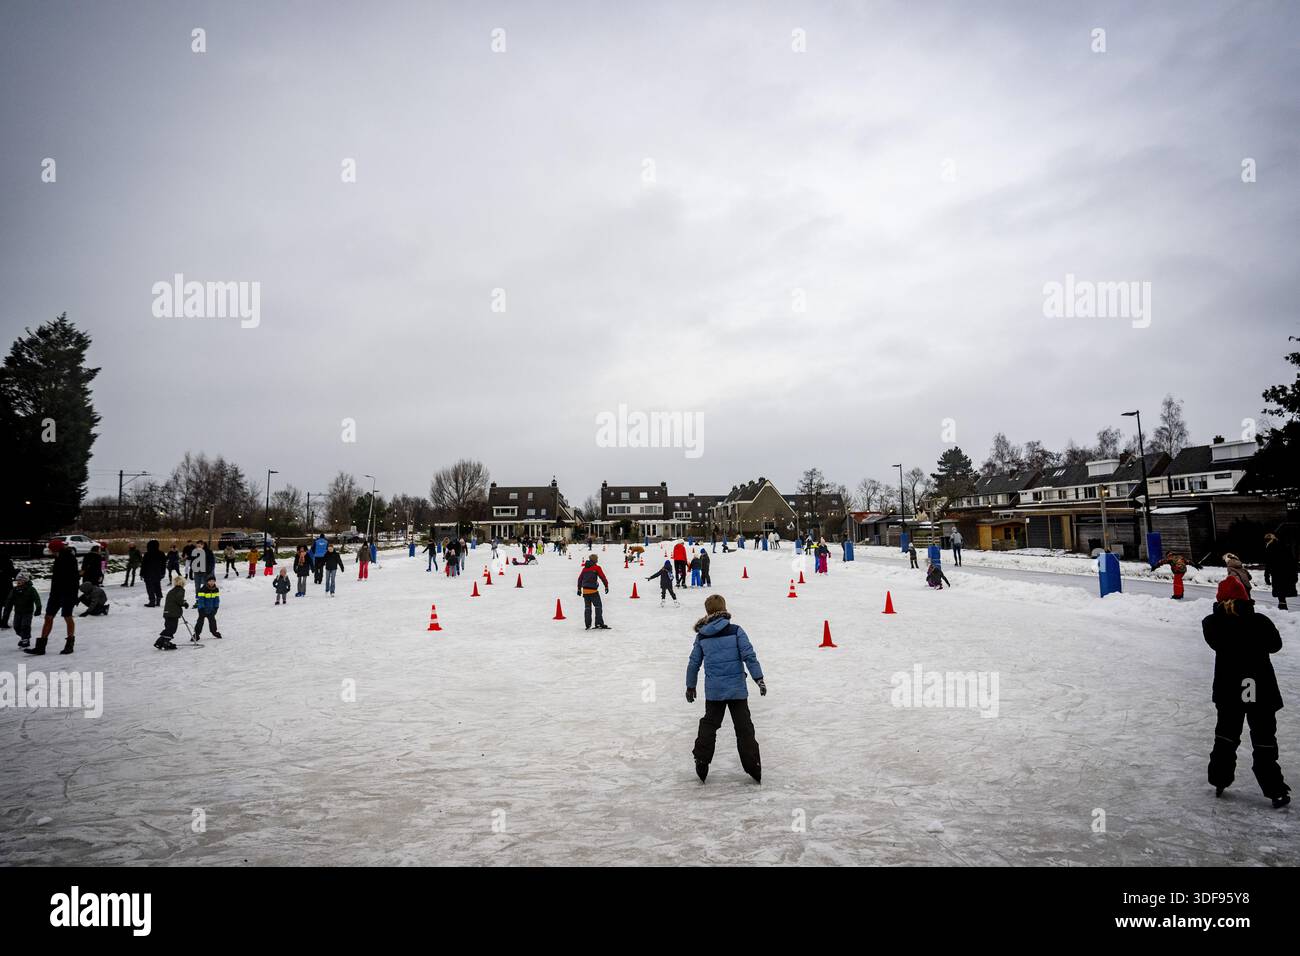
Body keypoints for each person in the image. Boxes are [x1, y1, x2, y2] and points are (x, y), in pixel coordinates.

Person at [1203, 576, 1290, 808]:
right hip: (1258, 688)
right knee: (1264, 740)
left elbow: (1217, 641)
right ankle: (1275, 789)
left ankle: (1219, 779)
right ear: (1245, 597)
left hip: (1229, 689)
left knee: (1226, 736)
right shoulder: (1259, 622)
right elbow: (1275, 645)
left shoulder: (1211, 623)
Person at [686, 594, 765, 783]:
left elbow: (693, 663)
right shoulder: (736, 631)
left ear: (707, 612)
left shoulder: (702, 636)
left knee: (709, 724)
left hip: (715, 691)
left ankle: (701, 759)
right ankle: (753, 765)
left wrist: (691, 686)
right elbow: (749, 656)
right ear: (724, 609)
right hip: (737, 689)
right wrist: (758, 678)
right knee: (744, 727)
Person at [27, 548, 79, 656]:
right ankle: (41, 646)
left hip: (67, 594)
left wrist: (73, 596)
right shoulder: (58, 559)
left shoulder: (69, 560)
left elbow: (75, 579)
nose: (50, 552)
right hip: (56, 593)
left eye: (51, 549)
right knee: (49, 617)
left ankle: (69, 644)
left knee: (67, 616)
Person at [5, 572, 41, 649]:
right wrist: (7, 608)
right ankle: (25, 638)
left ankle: (25, 640)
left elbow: (37, 599)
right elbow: (9, 600)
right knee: (16, 626)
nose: (18, 582)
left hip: (27, 612)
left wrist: (38, 608)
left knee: (25, 626)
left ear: (25, 581)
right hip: (18, 612)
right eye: (17, 580)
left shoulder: (31, 589)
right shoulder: (14, 590)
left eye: (20, 580)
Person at [1263, 533, 1297, 611]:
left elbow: (1269, 563)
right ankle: (1282, 606)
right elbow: (1292, 560)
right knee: (1283, 590)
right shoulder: (1284, 546)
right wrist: (1294, 574)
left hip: (1277, 573)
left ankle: (1282, 606)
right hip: (1288, 572)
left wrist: (1266, 576)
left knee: (1280, 590)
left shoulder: (1270, 548)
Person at [154, 575, 188, 650]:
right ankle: (166, 642)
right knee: (172, 628)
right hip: (173, 613)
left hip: (167, 613)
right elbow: (179, 599)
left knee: (168, 627)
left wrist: (182, 602)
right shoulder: (181, 590)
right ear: (183, 583)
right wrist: (184, 603)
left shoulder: (172, 590)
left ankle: (160, 641)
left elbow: (174, 599)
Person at [577, 554, 610, 630]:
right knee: (598, 607)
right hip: (593, 591)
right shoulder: (597, 567)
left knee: (587, 608)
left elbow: (580, 579)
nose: (598, 559)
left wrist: (579, 589)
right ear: (595, 560)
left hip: (585, 591)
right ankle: (598, 623)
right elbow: (602, 577)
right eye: (597, 558)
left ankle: (587, 625)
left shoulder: (584, 568)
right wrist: (606, 586)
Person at [194, 575, 223, 640]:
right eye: (210, 581)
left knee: (213, 621)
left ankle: (214, 632)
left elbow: (217, 599)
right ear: (207, 582)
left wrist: (216, 608)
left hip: (211, 609)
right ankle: (196, 634)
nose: (211, 582)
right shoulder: (203, 589)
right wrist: (201, 608)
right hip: (203, 609)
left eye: (213, 581)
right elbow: (200, 600)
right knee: (200, 622)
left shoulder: (216, 589)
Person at [140, 539, 167, 607]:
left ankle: (152, 601)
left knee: (150, 588)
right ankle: (158, 599)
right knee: (157, 586)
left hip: (148, 574)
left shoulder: (147, 554)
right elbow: (164, 564)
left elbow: (143, 565)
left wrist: (141, 573)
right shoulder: (161, 553)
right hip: (158, 573)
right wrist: (163, 573)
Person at [0, 553, 15, 628]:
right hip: (7, 587)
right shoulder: (8, 562)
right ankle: (4, 622)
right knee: (8, 606)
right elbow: (12, 573)